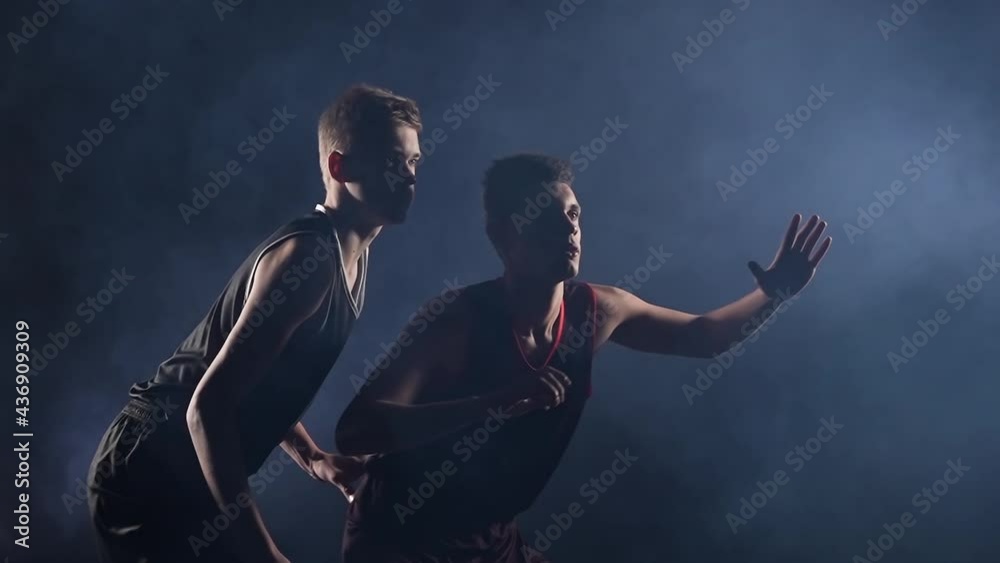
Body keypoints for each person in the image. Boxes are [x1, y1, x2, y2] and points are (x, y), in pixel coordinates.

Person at [334, 153, 833, 562]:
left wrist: (773, 293)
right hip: (401, 539)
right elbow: (356, 430)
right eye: (547, 218)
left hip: (491, 540)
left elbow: (702, 337)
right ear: (504, 236)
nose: (569, 230)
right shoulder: (457, 321)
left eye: (573, 215)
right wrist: (492, 403)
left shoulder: (598, 310)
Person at [86, 84, 423, 563]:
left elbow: (257, 377)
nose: (409, 176)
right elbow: (207, 407)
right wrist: (260, 551)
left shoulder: (355, 259)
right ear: (339, 168)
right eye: (392, 160)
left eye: (413, 161)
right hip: (149, 460)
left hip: (185, 464)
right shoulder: (310, 260)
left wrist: (314, 459)